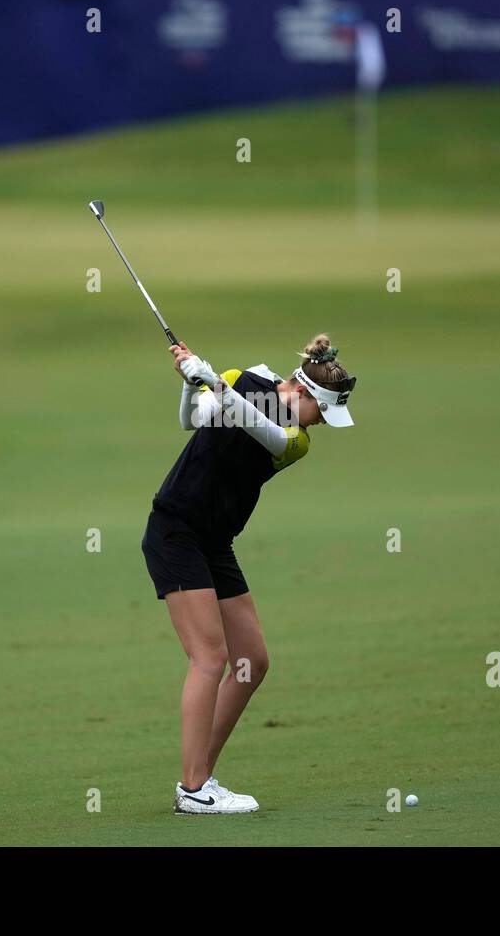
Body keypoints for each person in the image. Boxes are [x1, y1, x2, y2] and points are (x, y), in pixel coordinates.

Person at [140, 333, 357, 814]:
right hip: (175, 532)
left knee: (252, 662)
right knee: (209, 657)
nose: (319, 424)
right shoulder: (243, 380)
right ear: (302, 393)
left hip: (215, 544)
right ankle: (194, 789)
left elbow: (265, 429)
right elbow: (190, 421)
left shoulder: (294, 441)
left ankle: (201, 777)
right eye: (320, 412)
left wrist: (212, 381)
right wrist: (191, 384)